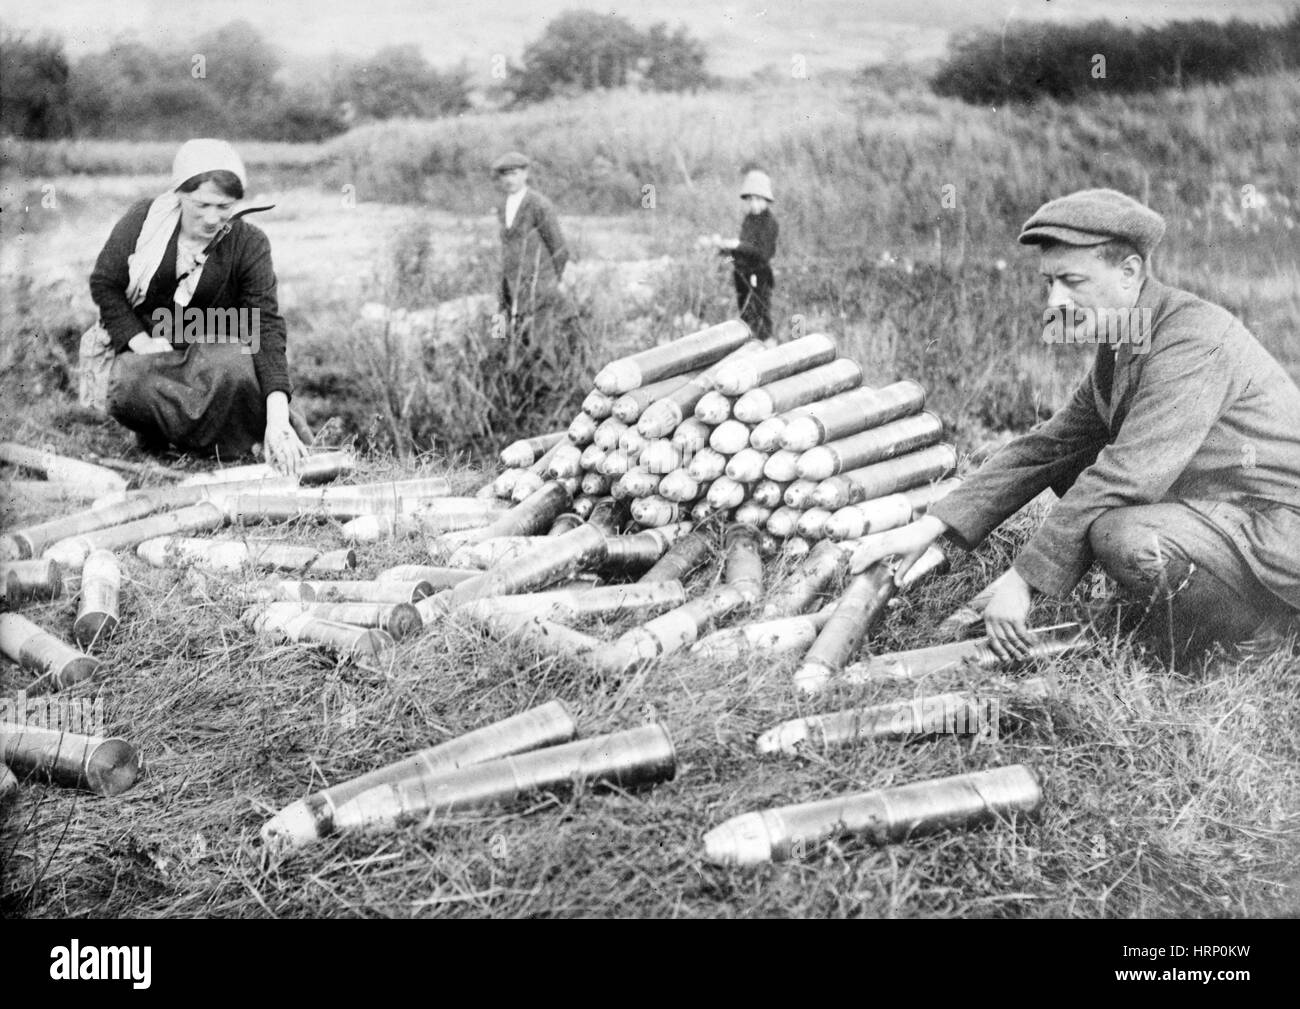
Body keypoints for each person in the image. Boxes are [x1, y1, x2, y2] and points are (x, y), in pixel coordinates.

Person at [852, 188, 1300, 661]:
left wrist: (1023, 580)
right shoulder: (1127, 337)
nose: (1056, 301)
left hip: (1279, 529)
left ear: (1129, 272)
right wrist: (931, 526)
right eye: (1049, 283)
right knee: (1072, 467)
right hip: (1231, 518)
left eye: (1072, 281)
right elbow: (1050, 445)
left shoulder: (1193, 341)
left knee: (1122, 535)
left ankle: (1259, 635)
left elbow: (1126, 475)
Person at [86, 138, 308, 474]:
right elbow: (106, 284)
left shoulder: (250, 244)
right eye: (201, 205)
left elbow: (265, 326)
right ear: (178, 193)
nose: (211, 218)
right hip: (157, 355)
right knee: (128, 384)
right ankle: (159, 438)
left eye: (224, 207)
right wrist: (140, 341)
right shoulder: (144, 222)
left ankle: (232, 447)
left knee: (239, 369)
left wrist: (278, 418)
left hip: (216, 356)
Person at [491, 150, 576, 347]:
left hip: (538, 287)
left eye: (514, 173)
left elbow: (559, 248)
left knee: (540, 345)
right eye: (504, 174)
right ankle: (501, 373)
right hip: (509, 286)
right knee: (501, 337)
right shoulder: (503, 206)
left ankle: (548, 377)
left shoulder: (539, 204)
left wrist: (550, 281)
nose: (509, 180)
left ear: (525, 174)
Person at [707, 169, 779, 343]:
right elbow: (739, 253)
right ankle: (750, 347)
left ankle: (767, 347)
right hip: (742, 275)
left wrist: (736, 245)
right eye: (751, 199)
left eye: (758, 199)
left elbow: (762, 253)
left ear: (766, 200)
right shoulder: (748, 220)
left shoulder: (770, 223)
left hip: (759, 275)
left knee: (760, 313)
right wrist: (724, 250)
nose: (754, 204)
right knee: (745, 315)